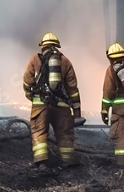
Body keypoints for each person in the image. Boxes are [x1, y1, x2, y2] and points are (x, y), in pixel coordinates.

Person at [23, 32, 82, 166]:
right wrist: (77, 112)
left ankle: (41, 161)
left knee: (39, 132)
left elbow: (27, 81)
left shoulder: (35, 59)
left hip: (41, 104)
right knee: (65, 134)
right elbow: (73, 89)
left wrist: (31, 96)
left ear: (42, 46)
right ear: (57, 46)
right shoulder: (65, 61)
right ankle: (68, 162)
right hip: (62, 106)